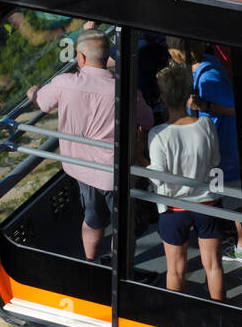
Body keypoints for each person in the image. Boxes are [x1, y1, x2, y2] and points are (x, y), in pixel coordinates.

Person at [29, 29, 152, 262]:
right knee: (122, 225)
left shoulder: (64, 84)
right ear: (107, 57)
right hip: (117, 173)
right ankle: (122, 269)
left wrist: (33, 93)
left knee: (92, 220)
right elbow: (147, 121)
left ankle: (91, 262)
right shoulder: (125, 89)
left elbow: (42, 103)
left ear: (81, 58)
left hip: (82, 170)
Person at [148, 64, 225, 300]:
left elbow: (159, 178)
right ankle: (221, 311)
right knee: (213, 266)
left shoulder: (158, 135)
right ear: (188, 96)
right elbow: (215, 161)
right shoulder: (206, 125)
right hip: (207, 204)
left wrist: (143, 162)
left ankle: (175, 314)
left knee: (175, 269)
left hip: (174, 208)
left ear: (162, 98)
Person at [165, 38, 242, 259]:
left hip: (225, 147)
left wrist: (204, 106)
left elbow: (236, 108)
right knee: (228, 196)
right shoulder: (205, 63)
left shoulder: (208, 77)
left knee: (233, 200)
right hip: (218, 146)